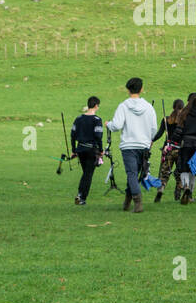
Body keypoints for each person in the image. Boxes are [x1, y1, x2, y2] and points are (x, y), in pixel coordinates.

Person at [105, 77, 157, 213]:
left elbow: (116, 126)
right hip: (144, 145)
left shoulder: (123, 106)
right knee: (136, 174)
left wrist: (108, 124)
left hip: (128, 146)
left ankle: (137, 202)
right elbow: (154, 128)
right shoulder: (149, 107)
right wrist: (150, 139)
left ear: (128, 90)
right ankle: (127, 202)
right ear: (141, 89)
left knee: (132, 174)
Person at [70, 96, 103, 206]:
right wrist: (101, 150)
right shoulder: (97, 120)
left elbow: (73, 135)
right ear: (96, 106)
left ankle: (81, 195)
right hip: (91, 150)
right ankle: (81, 196)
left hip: (80, 149)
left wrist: (74, 150)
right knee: (88, 174)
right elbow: (98, 136)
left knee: (86, 173)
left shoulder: (78, 119)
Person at [151, 98, 185, 203]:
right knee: (179, 173)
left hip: (168, 149)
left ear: (173, 107)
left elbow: (160, 133)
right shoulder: (183, 121)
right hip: (180, 150)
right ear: (182, 108)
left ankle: (161, 188)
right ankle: (178, 193)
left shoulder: (166, 120)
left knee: (164, 172)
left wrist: (152, 140)